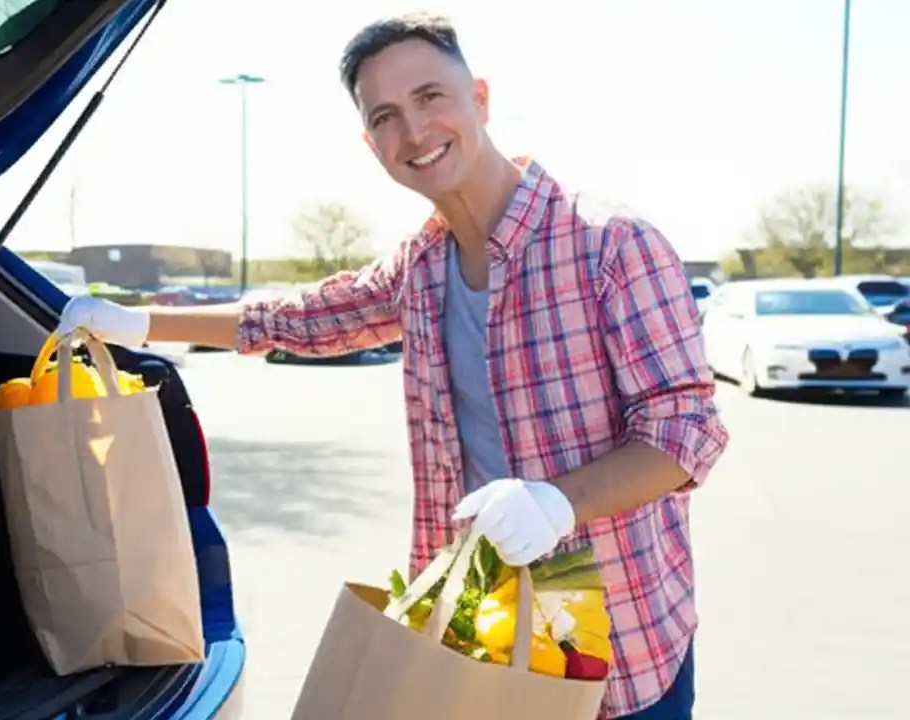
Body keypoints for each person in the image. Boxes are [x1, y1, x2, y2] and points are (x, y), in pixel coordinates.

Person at [58, 13, 728, 720]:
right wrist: (138, 322)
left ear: (481, 98)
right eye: (386, 115)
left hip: (618, 651)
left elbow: (687, 431)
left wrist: (559, 502)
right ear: (370, 142)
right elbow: (297, 319)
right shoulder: (423, 265)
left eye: (431, 97)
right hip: (479, 632)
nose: (414, 131)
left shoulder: (609, 243)